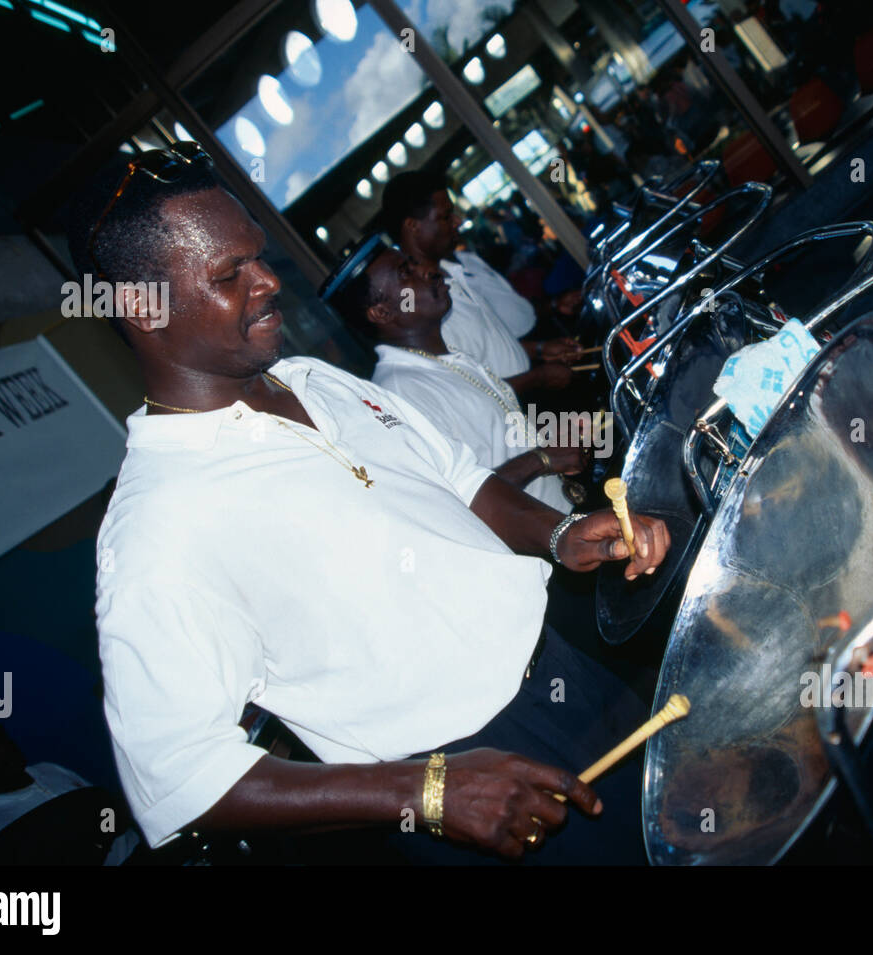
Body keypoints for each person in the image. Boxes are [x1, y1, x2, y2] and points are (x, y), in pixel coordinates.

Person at [68, 144, 670, 863]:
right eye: (229, 274)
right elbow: (179, 778)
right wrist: (426, 790)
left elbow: (458, 479)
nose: (267, 282)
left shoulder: (315, 379)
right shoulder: (157, 520)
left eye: (258, 257)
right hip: (477, 777)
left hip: (567, 664)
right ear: (141, 306)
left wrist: (562, 531)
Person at [332, 239, 589, 515]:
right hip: (547, 540)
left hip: (567, 509)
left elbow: (490, 444)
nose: (428, 272)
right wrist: (542, 459)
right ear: (382, 312)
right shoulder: (402, 389)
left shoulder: (446, 358)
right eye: (406, 274)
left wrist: (547, 441)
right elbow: (459, 502)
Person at [378, 170, 584, 395]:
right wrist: (539, 378)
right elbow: (468, 392)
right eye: (446, 216)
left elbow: (489, 349)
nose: (457, 221)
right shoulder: (418, 306)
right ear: (413, 226)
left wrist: (541, 350)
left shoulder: (451, 271)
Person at [0, 718, 140, 864]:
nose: (3, 749)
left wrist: (108, 828)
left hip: (142, 849)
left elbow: (106, 809)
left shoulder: (47, 768)